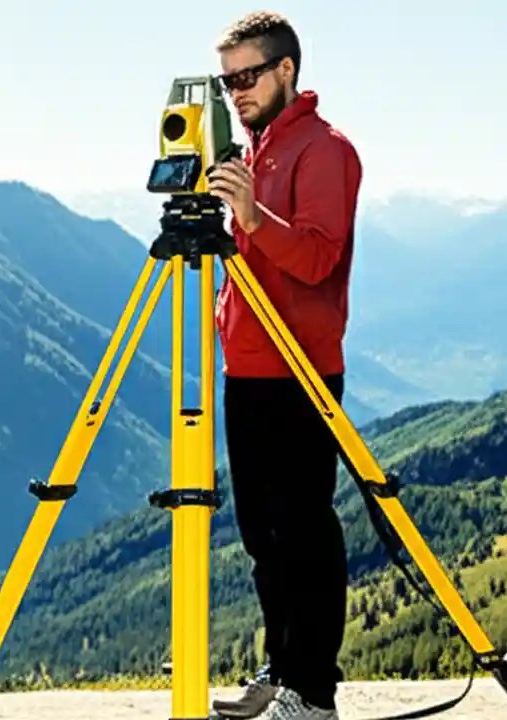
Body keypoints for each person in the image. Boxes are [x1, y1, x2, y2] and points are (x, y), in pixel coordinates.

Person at [206, 10, 363, 720]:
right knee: (262, 538)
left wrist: (254, 215)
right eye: (226, 78)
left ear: (286, 71)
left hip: (300, 369)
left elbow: (319, 256)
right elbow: (249, 269)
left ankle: (314, 693)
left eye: (247, 75)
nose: (235, 90)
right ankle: (282, 668)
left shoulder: (323, 151)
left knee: (303, 532)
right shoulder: (254, 149)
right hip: (248, 368)